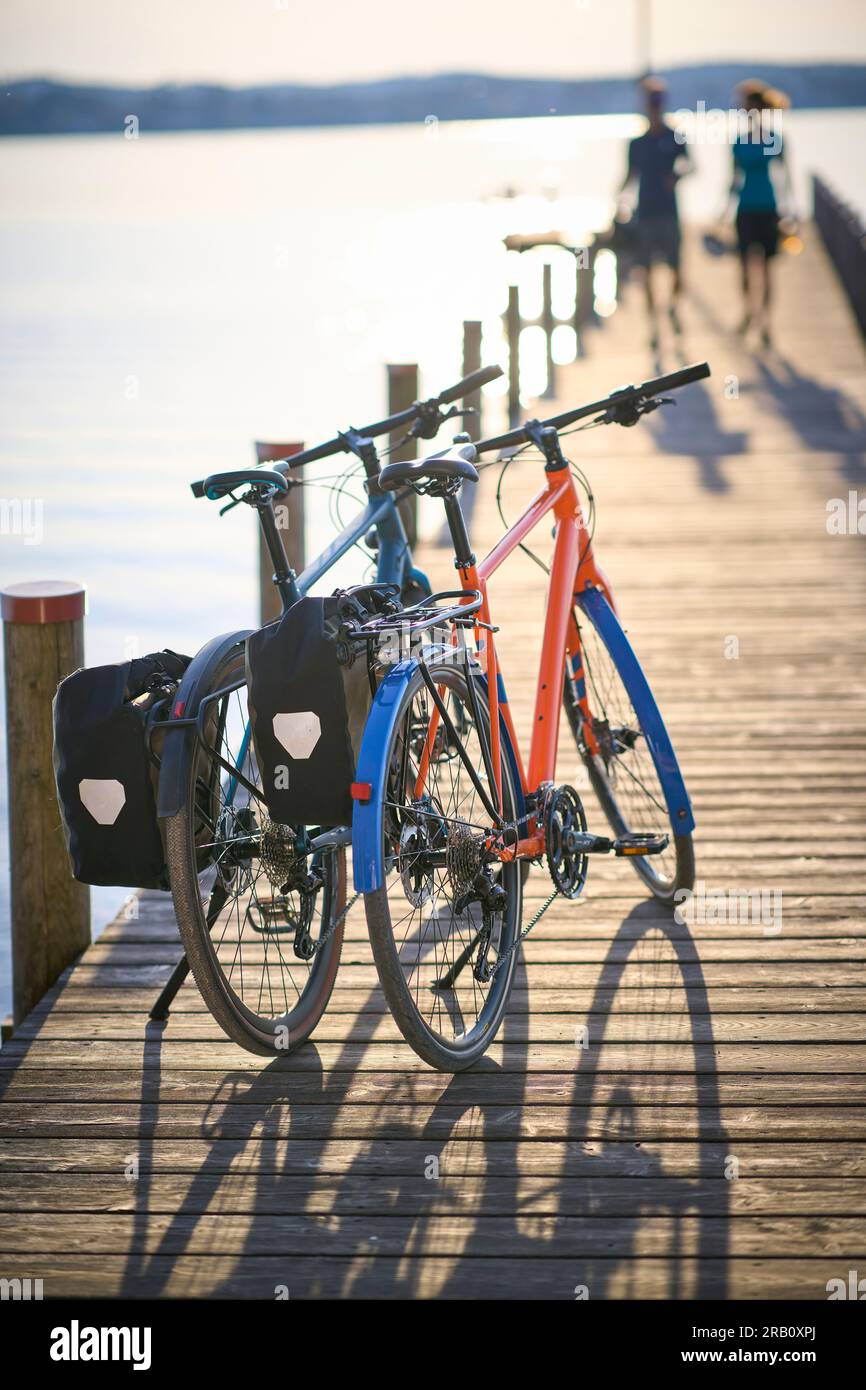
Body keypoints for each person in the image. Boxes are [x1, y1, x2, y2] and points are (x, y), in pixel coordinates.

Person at [619, 76, 693, 351]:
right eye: (651, 101)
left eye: (658, 101)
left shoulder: (675, 137)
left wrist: (676, 175)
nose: (654, 106)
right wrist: (617, 203)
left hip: (669, 212)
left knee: (677, 270)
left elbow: (690, 166)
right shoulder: (637, 143)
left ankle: (672, 307)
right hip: (645, 213)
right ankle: (653, 326)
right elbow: (629, 176)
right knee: (645, 272)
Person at [731, 79, 794, 348]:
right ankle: (750, 310)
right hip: (744, 208)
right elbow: (733, 178)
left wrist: (791, 211)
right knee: (745, 267)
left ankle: (766, 320)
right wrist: (724, 211)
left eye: (748, 106)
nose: (745, 111)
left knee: (767, 268)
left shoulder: (774, 140)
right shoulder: (739, 142)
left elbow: (784, 176)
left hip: (768, 207)